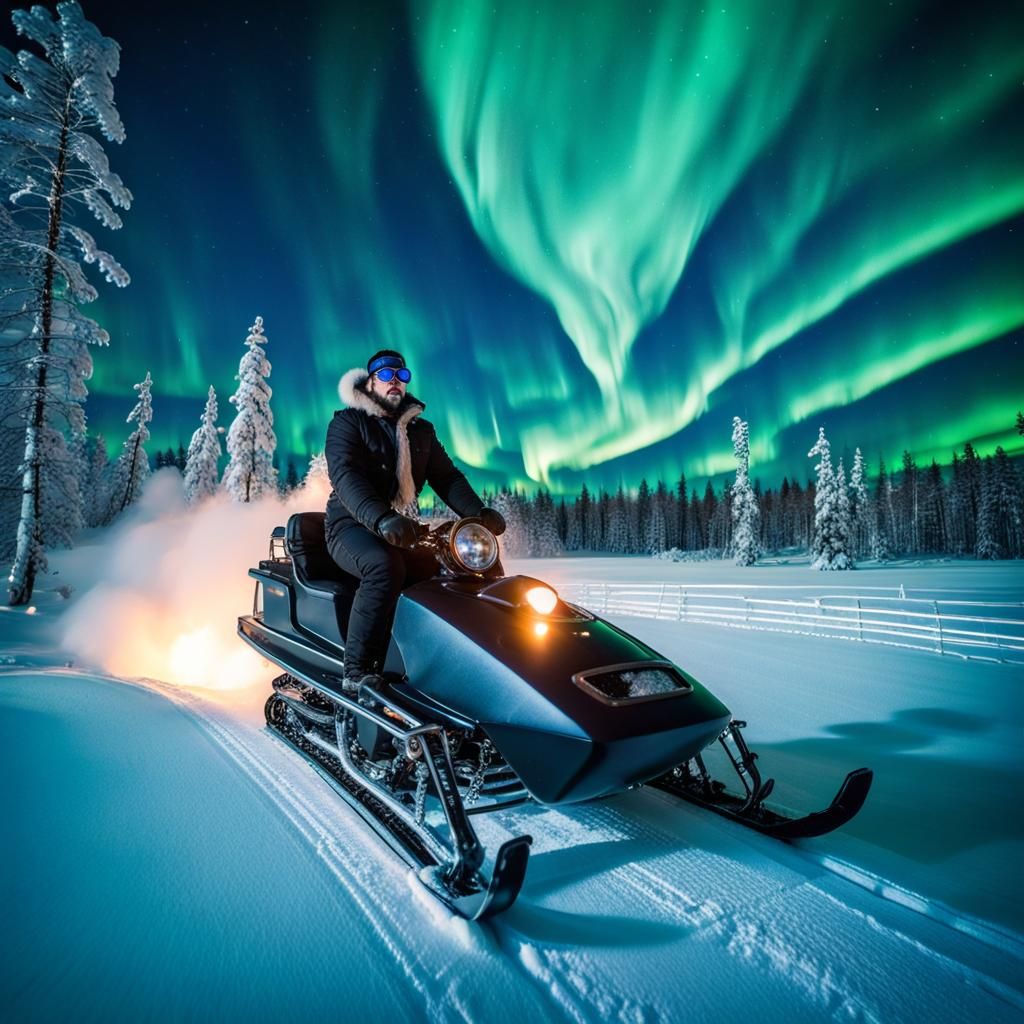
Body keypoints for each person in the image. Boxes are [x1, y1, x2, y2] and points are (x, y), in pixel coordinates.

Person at [324, 349, 506, 691]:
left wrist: (477, 514)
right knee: (384, 566)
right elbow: (346, 476)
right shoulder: (349, 422)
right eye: (386, 374)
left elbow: (447, 477)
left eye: (402, 375)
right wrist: (380, 519)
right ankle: (358, 671)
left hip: (398, 526)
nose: (395, 381)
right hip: (350, 525)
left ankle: (481, 656)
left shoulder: (420, 431)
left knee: (459, 564)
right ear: (370, 381)